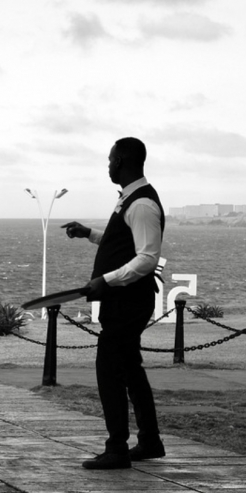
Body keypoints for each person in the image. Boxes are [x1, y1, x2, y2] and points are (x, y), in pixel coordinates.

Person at [62, 137, 166, 470]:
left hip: (128, 303)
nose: (107, 165)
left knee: (109, 370)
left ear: (121, 161)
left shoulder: (142, 205)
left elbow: (147, 259)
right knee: (131, 370)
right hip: (123, 301)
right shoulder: (130, 201)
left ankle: (117, 447)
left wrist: (104, 280)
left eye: (110, 160)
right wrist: (88, 233)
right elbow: (121, 243)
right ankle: (149, 441)